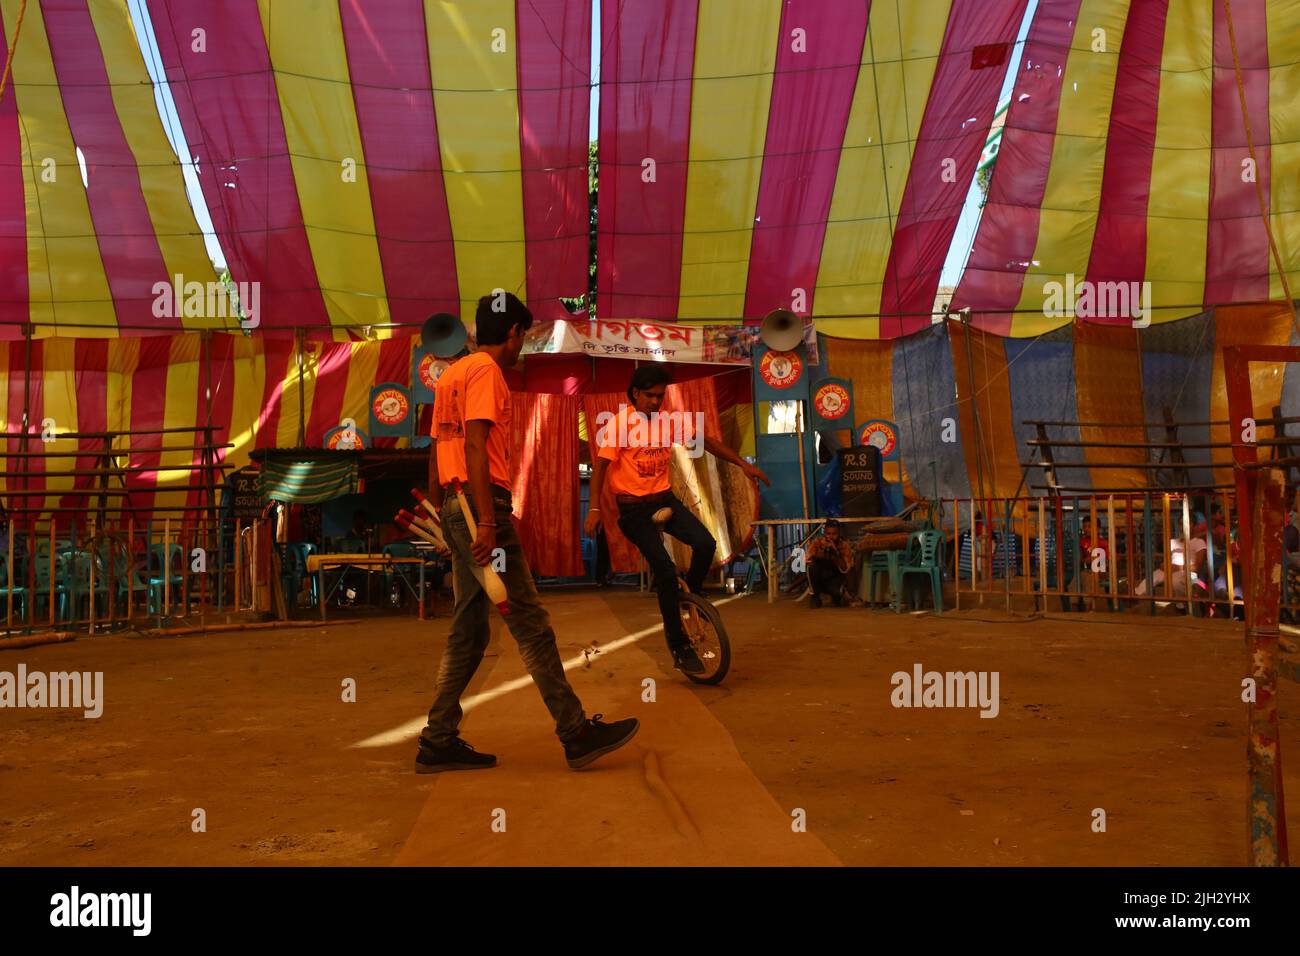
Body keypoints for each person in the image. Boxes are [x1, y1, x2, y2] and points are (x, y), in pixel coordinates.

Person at [417, 294, 639, 773]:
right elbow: (475, 444)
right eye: (524, 336)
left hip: (458, 506)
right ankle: (575, 732)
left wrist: (447, 510)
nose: (522, 345)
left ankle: (437, 739)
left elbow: (437, 452)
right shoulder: (487, 373)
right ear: (515, 332)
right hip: (481, 506)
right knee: (530, 624)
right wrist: (489, 520)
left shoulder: (449, 374)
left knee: (469, 630)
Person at [584, 365, 769, 674]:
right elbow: (601, 467)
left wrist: (742, 465)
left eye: (661, 396)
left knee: (705, 543)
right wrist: (594, 509)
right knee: (666, 573)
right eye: (650, 396)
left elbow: (708, 442)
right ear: (635, 394)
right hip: (634, 511)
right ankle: (679, 646)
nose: (656, 402)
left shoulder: (669, 422)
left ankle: (690, 597)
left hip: (665, 499)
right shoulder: (620, 425)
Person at [806, 519, 853, 608]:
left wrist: (836, 553)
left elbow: (845, 569)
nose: (831, 537)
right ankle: (815, 597)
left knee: (837, 596)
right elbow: (808, 559)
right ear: (825, 533)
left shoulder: (844, 545)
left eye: (834, 534)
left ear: (839, 533)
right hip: (820, 578)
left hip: (835, 579)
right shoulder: (818, 543)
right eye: (828, 534)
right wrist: (822, 553)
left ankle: (836, 596)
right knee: (811, 566)